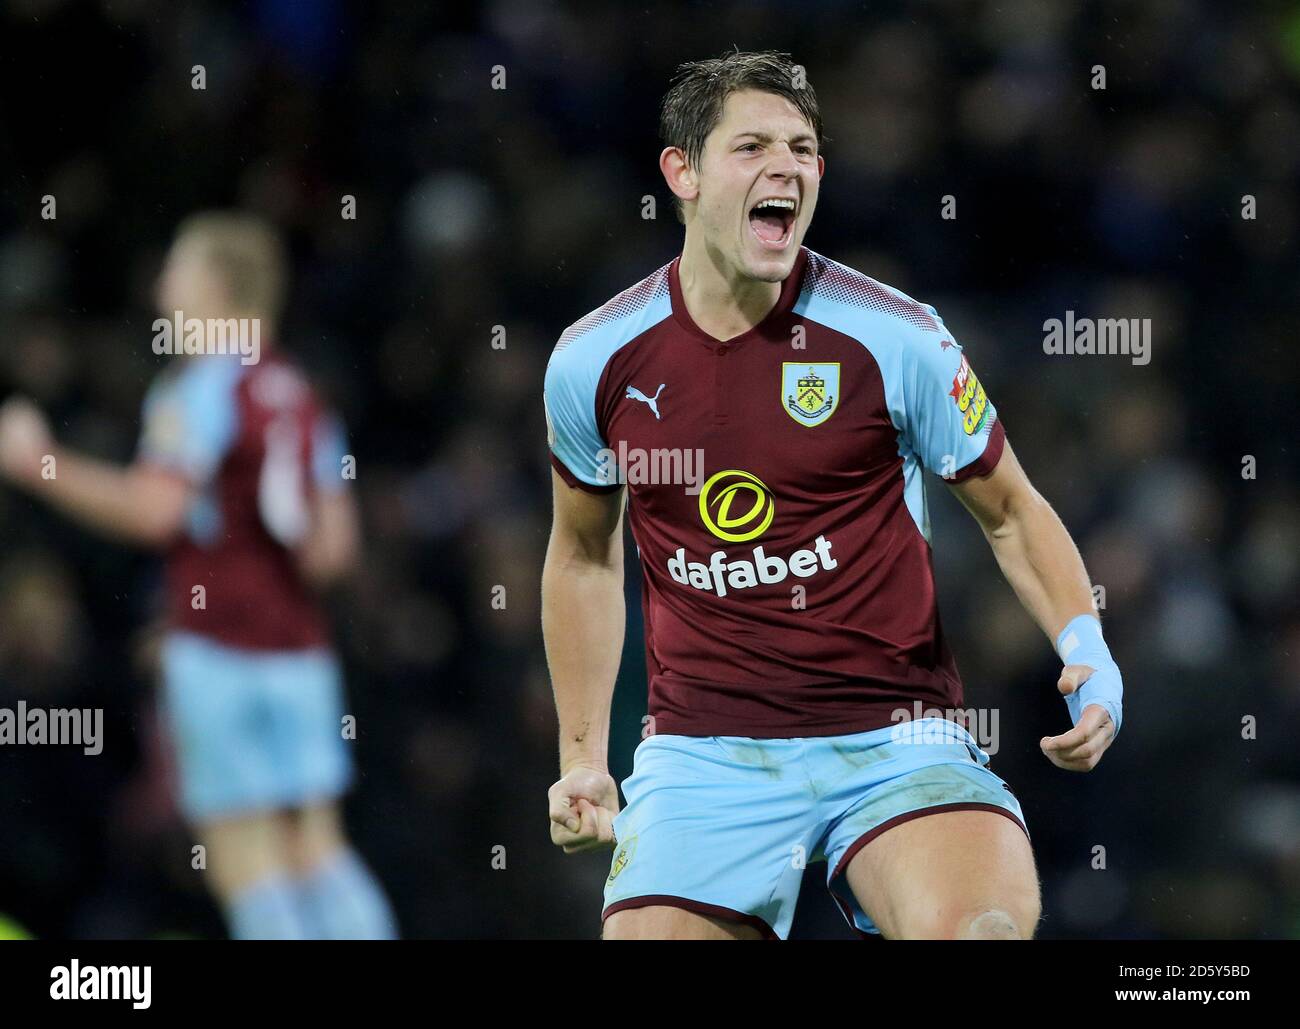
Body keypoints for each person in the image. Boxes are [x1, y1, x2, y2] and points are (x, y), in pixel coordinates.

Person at [541, 51, 1123, 940]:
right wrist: (582, 755)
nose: (787, 167)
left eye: (803, 148)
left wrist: (1089, 646)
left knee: (983, 934)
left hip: (898, 742)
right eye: (753, 147)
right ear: (682, 172)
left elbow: (1009, 508)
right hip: (705, 756)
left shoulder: (896, 336)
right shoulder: (594, 360)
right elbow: (583, 553)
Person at [0, 212, 397, 940]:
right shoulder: (303, 399)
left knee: (245, 860)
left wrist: (39, 466)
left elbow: (156, 511)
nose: (161, 290)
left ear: (218, 286)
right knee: (318, 848)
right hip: (300, 651)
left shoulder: (197, 390)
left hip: (217, 649)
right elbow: (333, 552)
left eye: (176, 272)